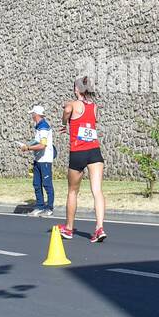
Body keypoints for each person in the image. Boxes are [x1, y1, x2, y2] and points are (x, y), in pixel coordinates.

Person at [58, 77, 106, 242]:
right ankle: (99, 228)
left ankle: (69, 229)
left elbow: (66, 112)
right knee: (97, 190)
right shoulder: (94, 107)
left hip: (78, 151)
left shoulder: (71, 104)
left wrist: (65, 123)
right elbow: (94, 122)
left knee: (72, 191)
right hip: (94, 151)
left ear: (76, 89)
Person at [19, 105, 55, 217]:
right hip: (38, 159)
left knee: (47, 184)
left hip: (45, 160)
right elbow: (36, 141)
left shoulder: (43, 127)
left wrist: (28, 148)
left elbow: (42, 145)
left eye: (32, 114)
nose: (32, 116)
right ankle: (39, 206)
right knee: (36, 183)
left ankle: (49, 208)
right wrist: (27, 144)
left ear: (36, 115)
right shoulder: (39, 126)